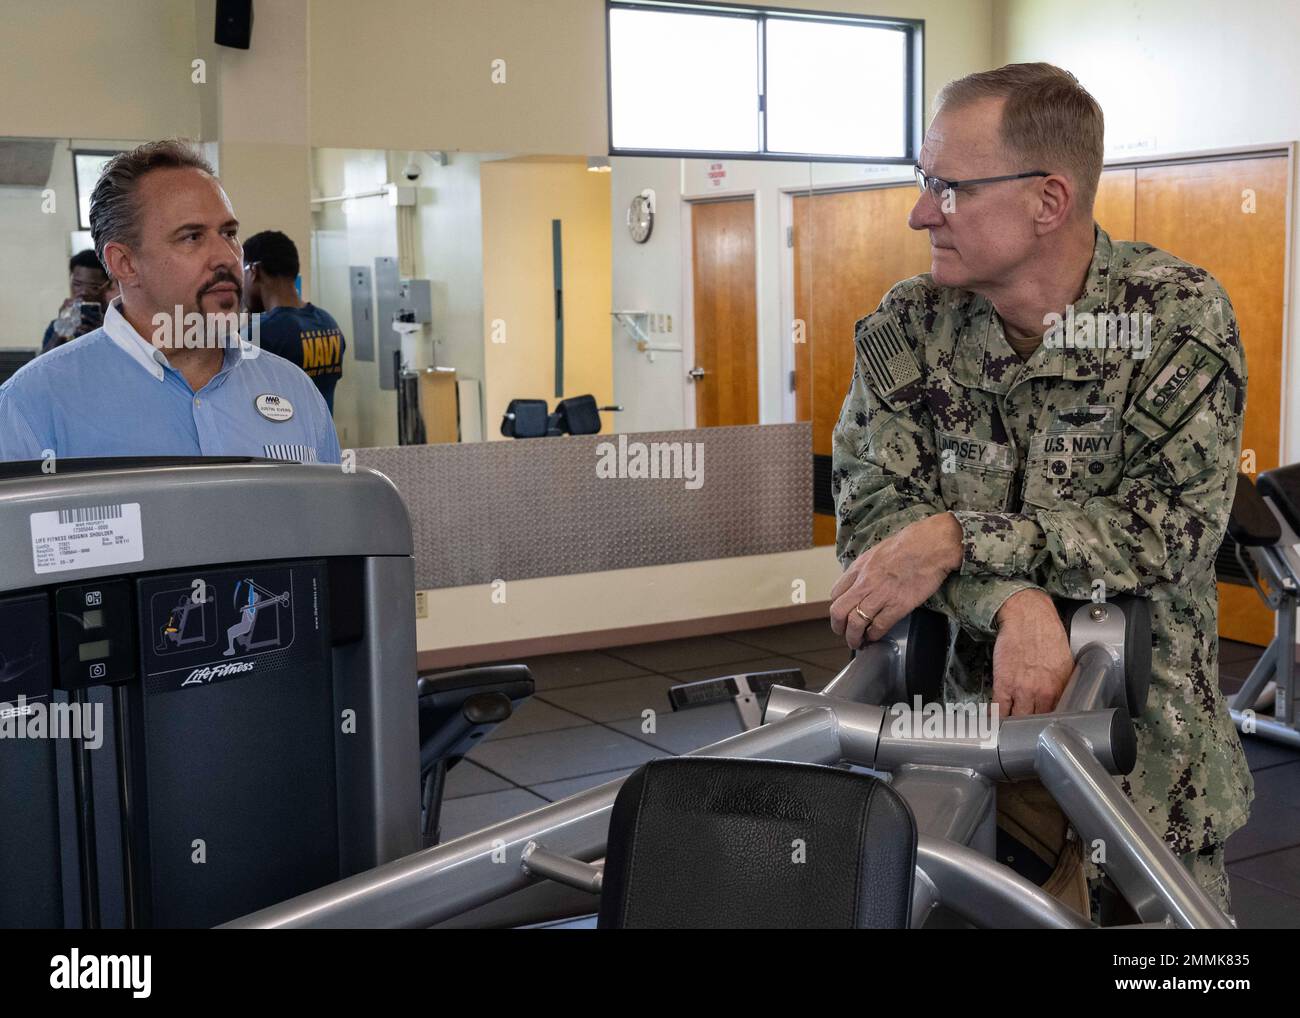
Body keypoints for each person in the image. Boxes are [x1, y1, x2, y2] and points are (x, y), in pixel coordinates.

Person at [828, 63, 1251, 921]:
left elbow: (1165, 533)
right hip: (954, 767)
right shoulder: (907, 327)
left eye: (949, 187)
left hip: (1145, 777)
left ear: (1048, 201)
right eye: (923, 181)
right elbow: (878, 521)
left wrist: (958, 538)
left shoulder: (1173, 317)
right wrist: (1016, 598)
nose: (921, 212)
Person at [0, 140, 339, 464]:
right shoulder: (33, 406)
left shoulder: (295, 390)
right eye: (192, 237)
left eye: (229, 233)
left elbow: (328, 519)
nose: (226, 257)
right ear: (125, 263)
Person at [242, 230, 346, 412]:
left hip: (278, 439)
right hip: (322, 437)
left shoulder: (260, 333)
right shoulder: (328, 323)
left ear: (254, 271)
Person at [40, 249, 114, 353]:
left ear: (109, 286)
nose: (83, 292)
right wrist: (60, 333)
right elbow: (41, 366)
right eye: (77, 284)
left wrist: (102, 333)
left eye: (94, 287)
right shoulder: (57, 326)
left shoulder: (118, 323)